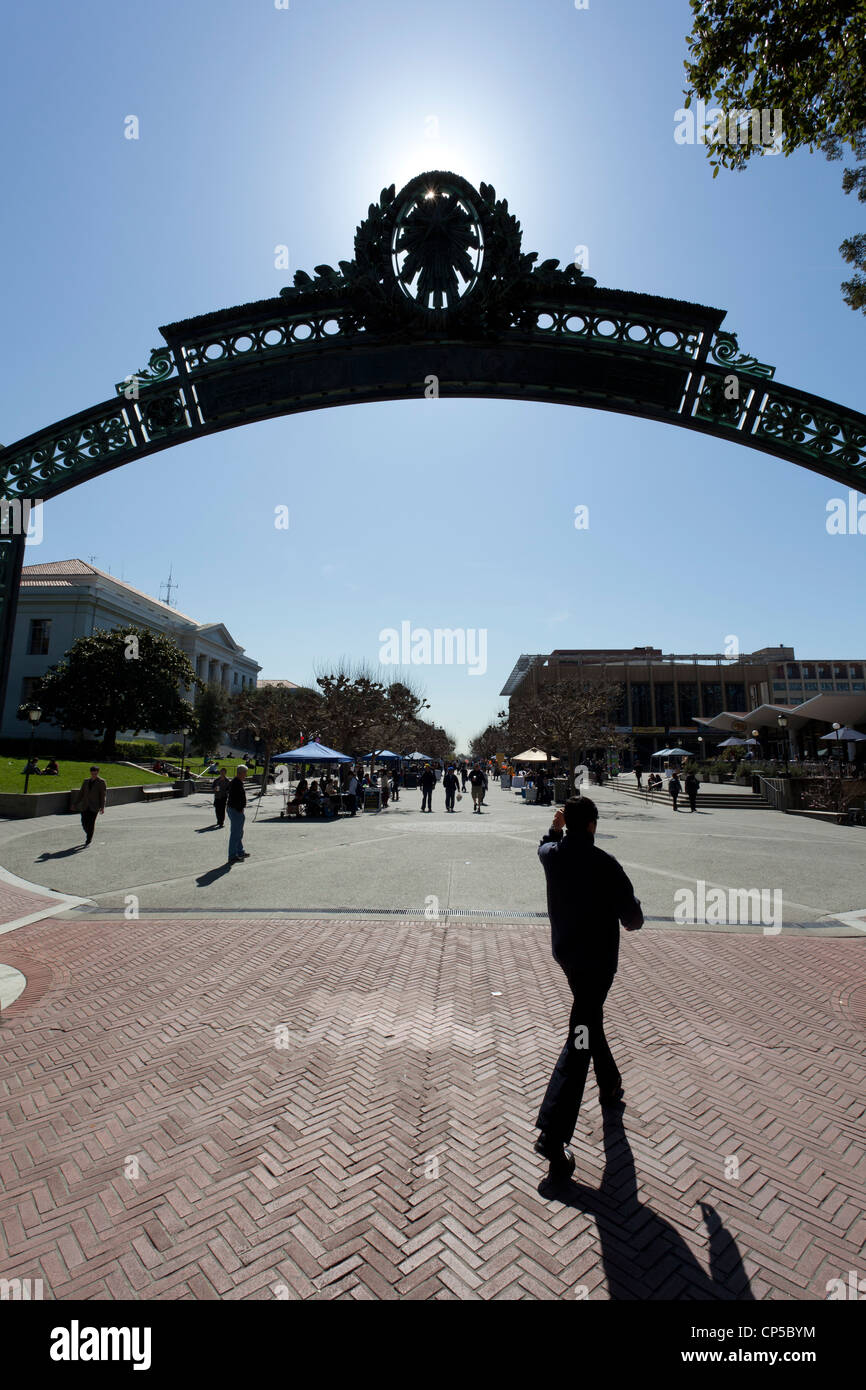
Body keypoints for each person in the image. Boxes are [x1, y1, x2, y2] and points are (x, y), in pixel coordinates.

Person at [534, 797, 643, 1176]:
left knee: (588, 1020)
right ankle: (552, 1132)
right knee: (579, 1036)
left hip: (567, 957)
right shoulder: (605, 864)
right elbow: (633, 919)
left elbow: (544, 845)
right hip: (598, 964)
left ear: (568, 823)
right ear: (593, 825)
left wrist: (555, 827)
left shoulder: (553, 855)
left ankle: (610, 1084)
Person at [76, 766, 107, 846]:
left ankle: (89, 838)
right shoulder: (86, 781)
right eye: (92, 773)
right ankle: (88, 832)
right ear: (90, 772)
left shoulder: (101, 782)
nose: (94, 775)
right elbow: (81, 793)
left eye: (95, 773)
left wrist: (102, 807)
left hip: (94, 806)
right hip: (85, 805)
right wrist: (75, 803)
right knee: (84, 822)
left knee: (91, 823)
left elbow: (103, 795)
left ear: (98, 773)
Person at [227, 765, 250, 862]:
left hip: (234, 809)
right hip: (236, 810)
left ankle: (240, 851)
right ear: (240, 773)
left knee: (238, 832)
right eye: (245, 773)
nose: (246, 775)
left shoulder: (236, 782)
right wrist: (240, 808)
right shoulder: (236, 783)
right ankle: (232, 855)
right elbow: (236, 798)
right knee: (236, 833)